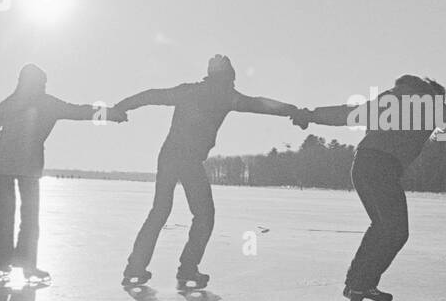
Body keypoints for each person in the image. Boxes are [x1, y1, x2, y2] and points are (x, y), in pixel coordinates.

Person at [295, 75, 446, 301]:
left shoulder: (389, 101)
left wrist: (311, 115)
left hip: (363, 164)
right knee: (396, 231)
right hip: (382, 168)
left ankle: (357, 285)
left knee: (382, 226)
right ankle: (359, 284)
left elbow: (347, 113)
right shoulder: (429, 107)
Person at [114, 54, 306, 289]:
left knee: (160, 211)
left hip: (169, 155)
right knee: (204, 215)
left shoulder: (189, 91)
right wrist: (293, 111)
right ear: (229, 77)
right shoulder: (226, 96)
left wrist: (121, 107)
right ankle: (187, 270)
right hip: (188, 159)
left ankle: (136, 267)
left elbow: (151, 95)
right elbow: (258, 104)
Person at [0, 64, 125, 282]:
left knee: (5, 213)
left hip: (6, 164)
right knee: (28, 216)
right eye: (42, 81)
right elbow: (80, 111)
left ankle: (2, 263)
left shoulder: (12, 101)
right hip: (27, 165)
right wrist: (111, 114)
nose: (43, 85)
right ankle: (25, 265)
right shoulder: (47, 103)